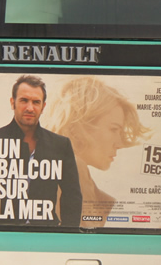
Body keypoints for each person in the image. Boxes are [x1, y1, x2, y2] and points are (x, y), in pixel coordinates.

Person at [45, 76, 150, 225]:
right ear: (77, 127)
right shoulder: (74, 167)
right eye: (114, 129)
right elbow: (84, 236)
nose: (120, 144)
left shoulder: (46, 164)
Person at [0, 75, 82, 227]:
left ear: (43, 106)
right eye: (24, 100)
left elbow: (72, 194)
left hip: (46, 232)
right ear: (12, 102)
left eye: (36, 102)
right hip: (3, 232)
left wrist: (68, 233)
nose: (30, 108)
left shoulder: (60, 144)